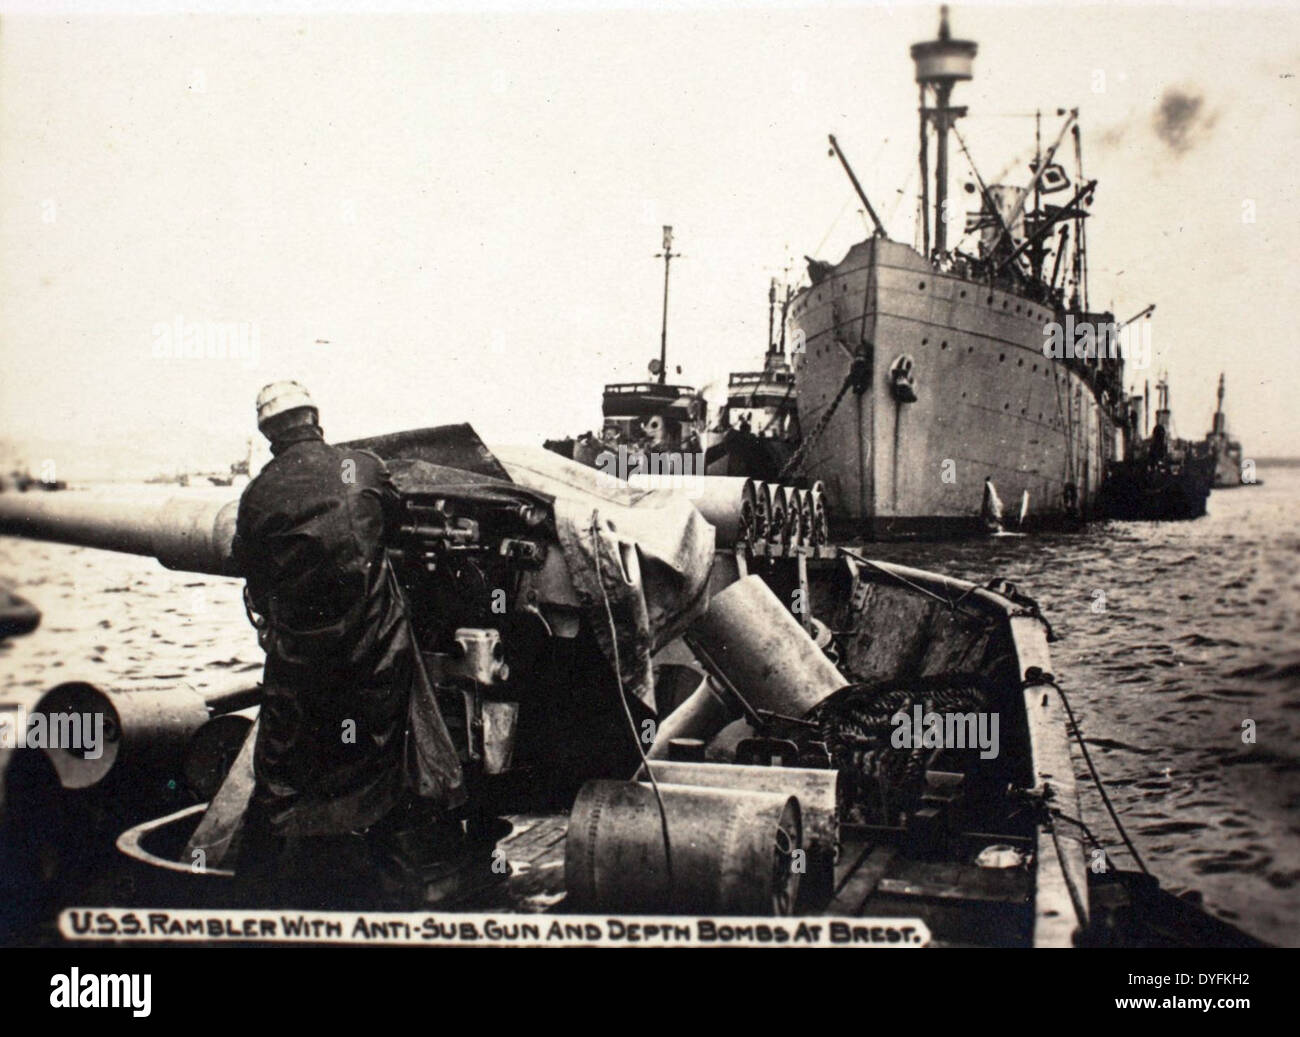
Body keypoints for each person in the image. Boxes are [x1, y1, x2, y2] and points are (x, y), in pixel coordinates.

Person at [232, 381, 465, 908]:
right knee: (385, 770)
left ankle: (251, 900)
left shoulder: (259, 494)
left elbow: (252, 572)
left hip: (301, 664)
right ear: (315, 418)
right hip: (376, 655)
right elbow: (396, 522)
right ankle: (399, 900)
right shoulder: (361, 466)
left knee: (280, 777)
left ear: (269, 433)